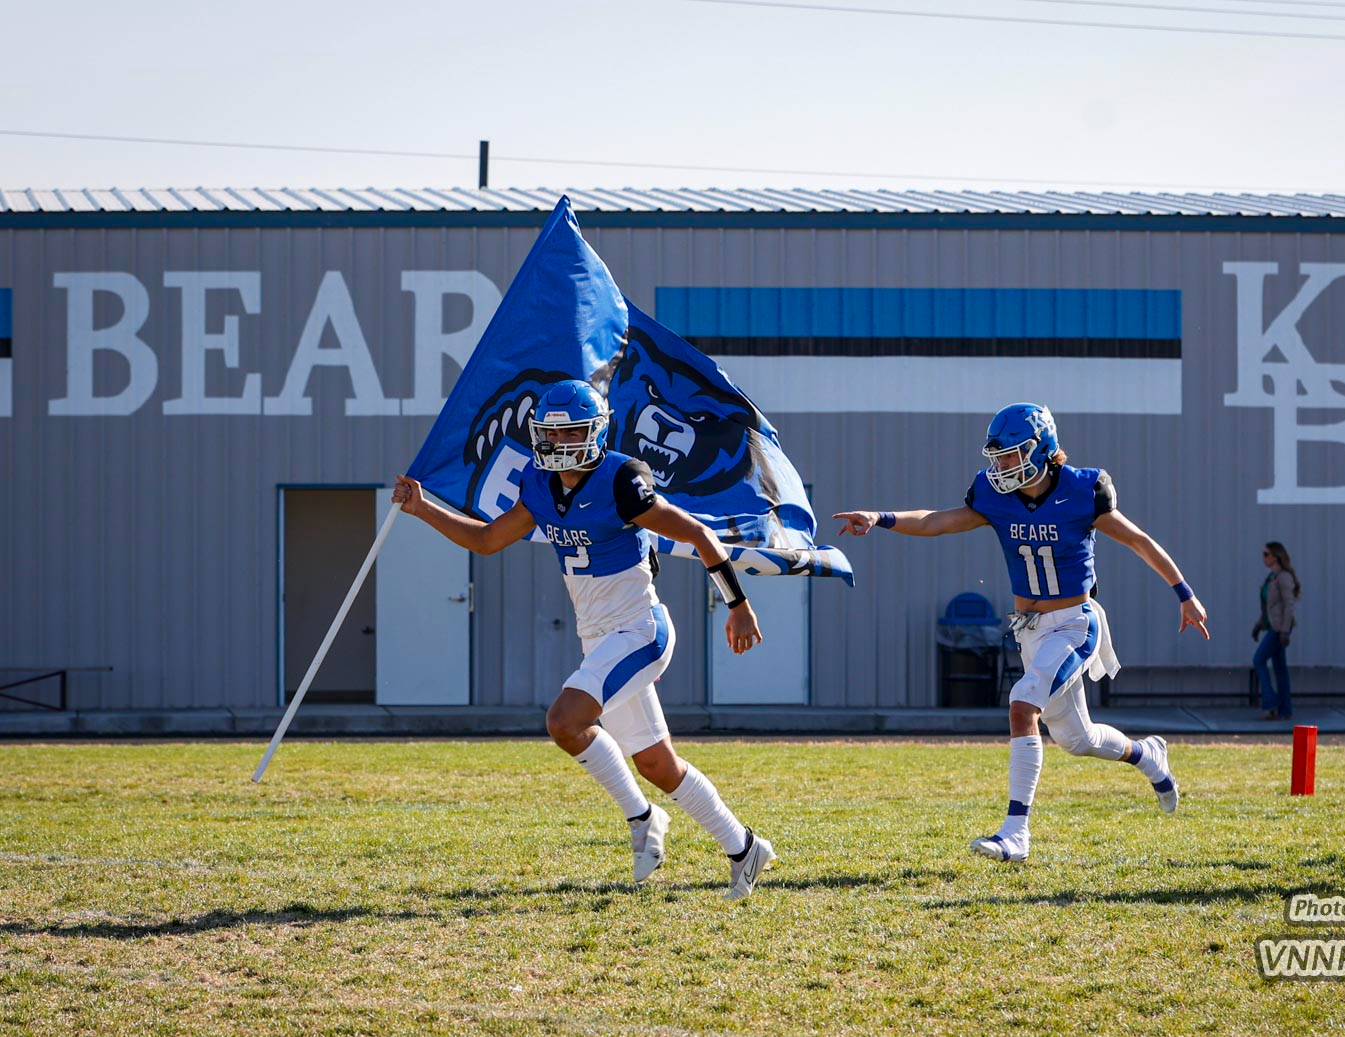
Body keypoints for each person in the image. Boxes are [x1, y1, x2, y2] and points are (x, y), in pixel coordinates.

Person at [392, 379, 776, 900]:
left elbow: (698, 534)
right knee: (658, 765)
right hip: (598, 637)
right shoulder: (539, 483)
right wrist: (422, 509)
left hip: (640, 629)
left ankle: (641, 820)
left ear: (593, 431)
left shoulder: (621, 479)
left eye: (568, 431)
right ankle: (743, 846)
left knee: (564, 720)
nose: (555, 443)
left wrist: (738, 604)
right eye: (548, 433)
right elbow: (486, 541)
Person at [834, 403, 1209, 864]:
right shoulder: (994, 494)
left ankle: (1016, 833)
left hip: (1075, 622)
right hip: (1029, 630)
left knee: (1022, 703)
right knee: (1077, 739)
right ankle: (1147, 755)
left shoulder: (1082, 489)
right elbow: (937, 521)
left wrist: (1185, 594)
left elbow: (1139, 541)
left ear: (1043, 449)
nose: (1002, 465)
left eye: (1011, 456)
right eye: (999, 457)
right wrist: (881, 517)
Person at [1251, 542, 1300, 721]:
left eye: (1266, 554)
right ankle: (1285, 710)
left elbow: (1289, 605)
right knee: (1280, 668)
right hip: (1274, 626)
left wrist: (1285, 631)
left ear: (1275, 556)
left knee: (1259, 660)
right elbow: (1268, 608)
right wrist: (1259, 625)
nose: (1264, 557)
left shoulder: (1283, 577)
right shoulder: (1272, 578)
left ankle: (1271, 703)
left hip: (1279, 629)